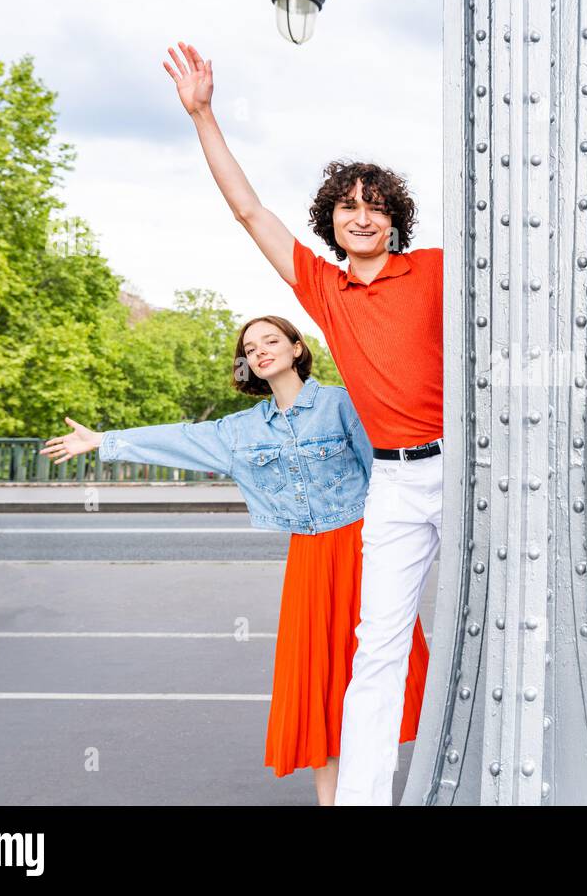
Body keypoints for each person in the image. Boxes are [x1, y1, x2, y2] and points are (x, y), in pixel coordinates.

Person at [163, 42, 443, 805]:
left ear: (394, 217)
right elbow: (248, 209)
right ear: (331, 219)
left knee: (503, 618)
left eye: (374, 203)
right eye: (347, 205)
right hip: (391, 478)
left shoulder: (439, 269)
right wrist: (204, 115)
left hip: (460, 467)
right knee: (374, 647)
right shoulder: (323, 290)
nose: (361, 214)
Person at [38, 315, 429, 806]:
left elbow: (386, 477)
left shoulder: (340, 404)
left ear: (296, 348)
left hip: (364, 549)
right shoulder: (243, 429)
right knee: (319, 689)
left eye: (271, 340)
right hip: (308, 559)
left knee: (371, 676)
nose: (261, 351)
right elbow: (182, 438)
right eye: (250, 347)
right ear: (247, 364)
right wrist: (103, 441)